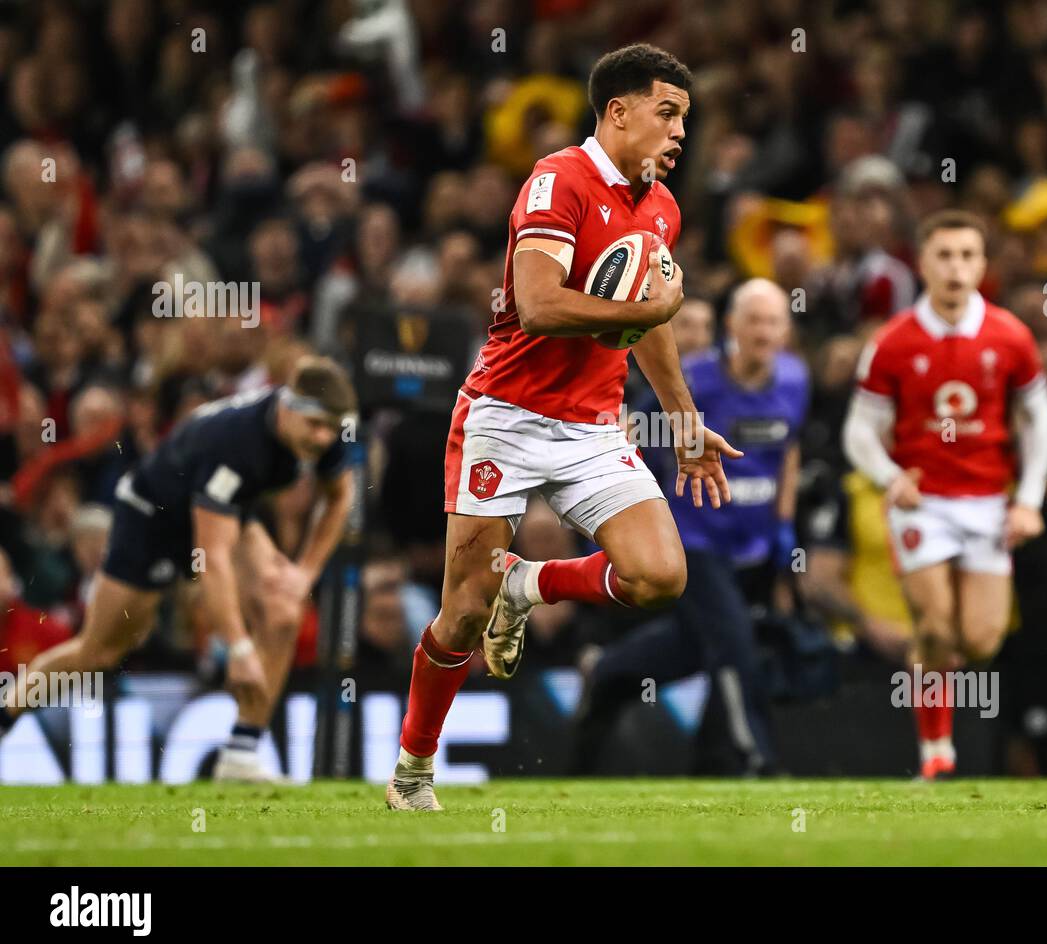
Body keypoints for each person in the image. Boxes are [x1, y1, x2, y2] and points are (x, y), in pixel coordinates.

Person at [387, 44, 741, 811]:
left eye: (686, 118)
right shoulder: (557, 180)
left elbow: (647, 324)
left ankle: (532, 581)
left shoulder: (663, 208)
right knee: (464, 609)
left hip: (592, 425)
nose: (681, 133)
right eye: (667, 113)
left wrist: (683, 418)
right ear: (618, 112)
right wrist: (651, 309)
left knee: (660, 577)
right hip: (506, 416)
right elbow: (541, 305)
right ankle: (413, 770)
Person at [0, 356, 357, 784]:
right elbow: (212, 559)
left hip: (226, 510)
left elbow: (340, 497)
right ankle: (5, 713)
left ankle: (241, 755)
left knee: (283, 606)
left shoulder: (322, 431)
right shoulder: (235, 443)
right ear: (287, 407)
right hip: (153, 516)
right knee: (97, 653)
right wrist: (240, 650)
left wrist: (307, 572)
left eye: (331, 428)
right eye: (314, 425)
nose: (323, 438)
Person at [842, 209, 1047, 780]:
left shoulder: (1010, 336)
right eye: (944, 255)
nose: (956, 267)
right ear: (923, 263)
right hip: (924, 502)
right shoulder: (892, 342)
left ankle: (934, 678)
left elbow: (1040, 417)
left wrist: (1029, 498)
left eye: (966, 256)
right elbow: (859, 430)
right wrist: (891, 477)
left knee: (981, 642)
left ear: (983, 265)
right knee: (935, 627)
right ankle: (938, 755)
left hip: (988, 500)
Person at [572, 278, 805, 776]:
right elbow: (625, 429)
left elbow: (789, 450)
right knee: (734, 643)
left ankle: (610, 671)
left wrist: (784, 525)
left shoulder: (795, 380)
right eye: (754, 320)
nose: (764, 331)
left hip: (753, 544)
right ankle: (754, 756)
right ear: (732, 326)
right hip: (692, 539)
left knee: (695, 646)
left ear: (786, 330)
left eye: (773, 322)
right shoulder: (691, 380)